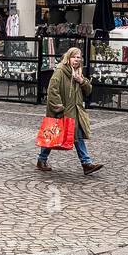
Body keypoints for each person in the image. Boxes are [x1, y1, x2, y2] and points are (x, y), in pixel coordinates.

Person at [36, 45, 103, 175]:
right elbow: (52, 90)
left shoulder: (79, 73)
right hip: (62, 111)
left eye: (79, 57)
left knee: (77, 136)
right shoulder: (60, 71)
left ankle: (86, 163)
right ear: (68, 57)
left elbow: (88, 90)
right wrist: (59, 107)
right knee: (53, 135)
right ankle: (42, 159)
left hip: (75, 111)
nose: (77, 60)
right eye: (74, 57)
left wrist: (81, 81)